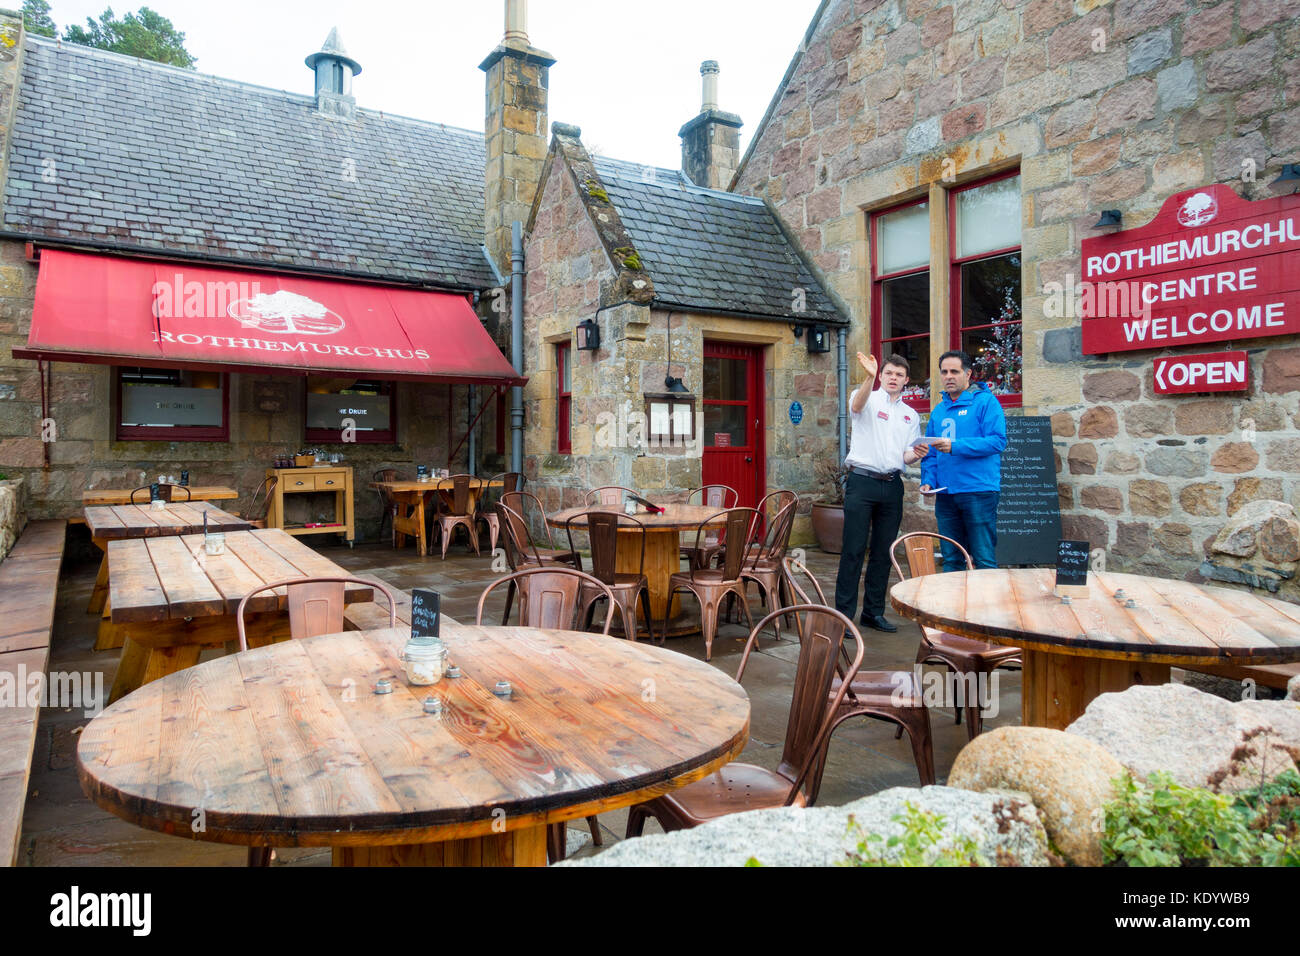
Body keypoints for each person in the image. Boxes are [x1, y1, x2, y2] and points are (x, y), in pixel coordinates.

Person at [834, 351, 923, 632]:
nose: (893, 378)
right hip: (862, 483)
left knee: (884, 553)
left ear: (906, 380)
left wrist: (916, 454)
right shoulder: (866, 398)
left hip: (892, 485)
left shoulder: (911, 415)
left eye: (899, 375)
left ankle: (873, 613)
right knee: (853, 550)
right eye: (888, 374)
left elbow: (906, 455)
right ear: (881, 376)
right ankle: (844, 616)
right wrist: (869, 378)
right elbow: (857, 408)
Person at [916, 350, 1007, 571]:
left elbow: (997, 441)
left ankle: (985, 606)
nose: (949, 376)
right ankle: (952, 606)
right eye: (944, 372)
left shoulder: (986, 402)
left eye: (954, 371)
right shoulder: (938, 411)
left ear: (968, 374)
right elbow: (930, 453)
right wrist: (929, 480)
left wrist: (955, 446)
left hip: (978, 491)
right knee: (951, 559)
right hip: (946, 495)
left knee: (983, 559)